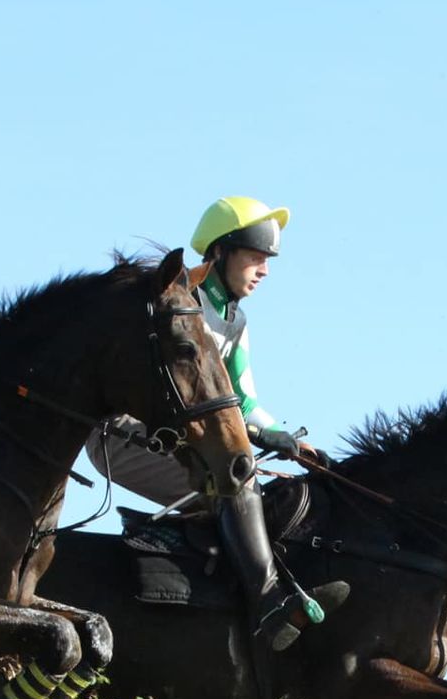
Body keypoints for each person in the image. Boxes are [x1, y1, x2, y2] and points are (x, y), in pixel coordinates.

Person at [86, 196, 347, 651]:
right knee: (234, 483)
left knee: (257, 486)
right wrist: (259, 435)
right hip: (124, 435)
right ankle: (268, 604)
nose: (264, 270)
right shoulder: (181, 301)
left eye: (268, 260)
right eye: (256, 257)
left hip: (170, 437)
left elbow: (241, 403)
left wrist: (288, 439)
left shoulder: (235, 320)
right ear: (221, 252)